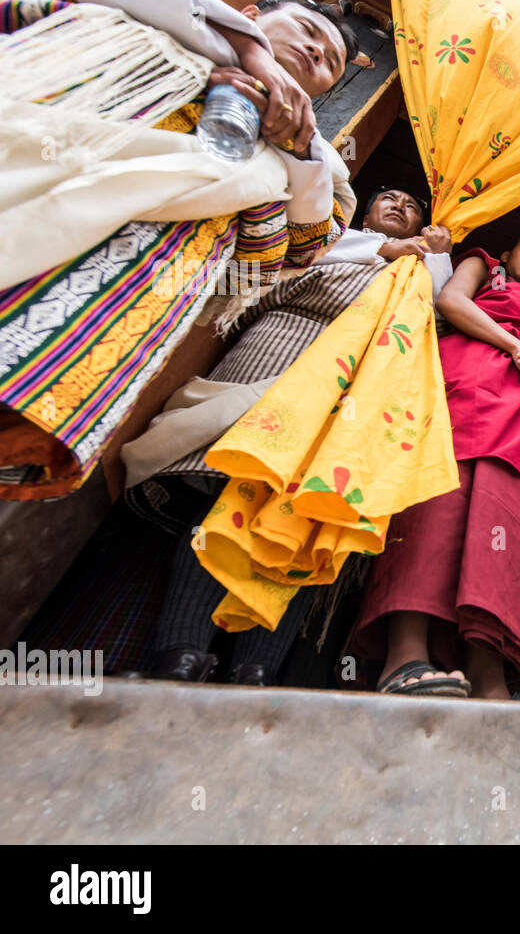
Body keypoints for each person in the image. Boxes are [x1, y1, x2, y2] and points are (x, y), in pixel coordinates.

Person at [31, 190, 452, 684]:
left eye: (412, 205)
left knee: (298, 529)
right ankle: (179, 657)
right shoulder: (333, 239)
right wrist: (385, 251)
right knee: (227, 496)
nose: (400, 205)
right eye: (389, 197)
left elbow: (436, 314)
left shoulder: (416, 279)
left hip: (344, 395)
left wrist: (437, 254)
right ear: (364, 212)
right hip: (275, 354)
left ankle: (251, 673)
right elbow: (286, 263)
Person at [0, 0, 358, 500]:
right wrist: (243, 55)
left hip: (95, 320)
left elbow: (265, 270)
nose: (314, 51)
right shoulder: (144, 25)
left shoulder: (298, 166)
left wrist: (293, 164)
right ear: (250, 14)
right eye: (308, 32)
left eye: (329, 62)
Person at [352, 237, 520, 699]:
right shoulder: (482, 265)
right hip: (466, 389)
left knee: (503, 530)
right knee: (437, 512)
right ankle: (405, 655)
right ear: (509, 254)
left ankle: (485, 670)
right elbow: (450, 302)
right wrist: (516, 347)